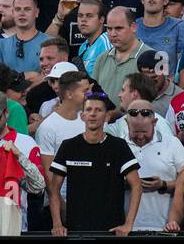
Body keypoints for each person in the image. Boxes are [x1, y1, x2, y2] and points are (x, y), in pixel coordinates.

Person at [48, 93, 143, 235]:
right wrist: (57, 224)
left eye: (98, 110)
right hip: (76, 232)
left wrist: (128, 224)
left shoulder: (118, 146)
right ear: (82, 116)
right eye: (88, 110)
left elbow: (136, 185)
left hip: (112, 231)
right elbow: (54, 189)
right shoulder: (69, 146)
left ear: (107, 117)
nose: (92, 114)